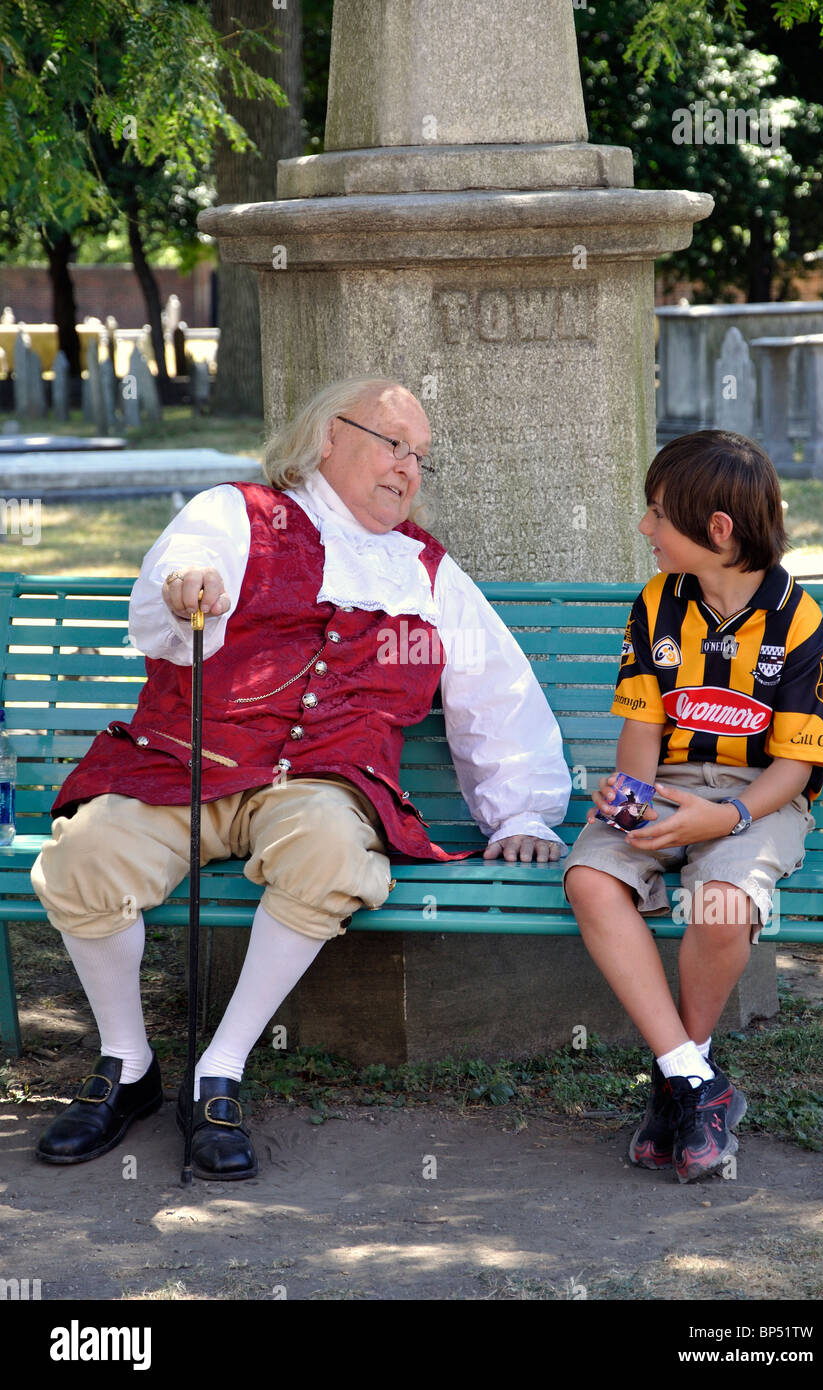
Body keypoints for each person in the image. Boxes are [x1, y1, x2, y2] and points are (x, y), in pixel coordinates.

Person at [30, 377, 571, 1180]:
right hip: (189, 763)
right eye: (393, 444)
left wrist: (520, 811)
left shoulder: (424, 572)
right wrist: (186, 589)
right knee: (84, 855)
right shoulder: (237, 514)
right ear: (328, 437)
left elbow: (495, 691)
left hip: (321, 781)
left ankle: (220, 1071)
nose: (407, 469)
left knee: (327, 853)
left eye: (420, 458)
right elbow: (181, 569)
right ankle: (127, 1065)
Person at [563, 430, 823, 1183]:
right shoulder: (656, 602)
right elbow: (641, 726)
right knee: (590, 878)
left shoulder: (795, 619)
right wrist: (631, 802)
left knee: (720, 904)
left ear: (716, 531)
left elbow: (793, 766)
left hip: (756, 802)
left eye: (657, 515)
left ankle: (676, 1084)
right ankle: (695, 1081)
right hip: (664, 782)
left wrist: (727, 819)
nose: (646, 529)